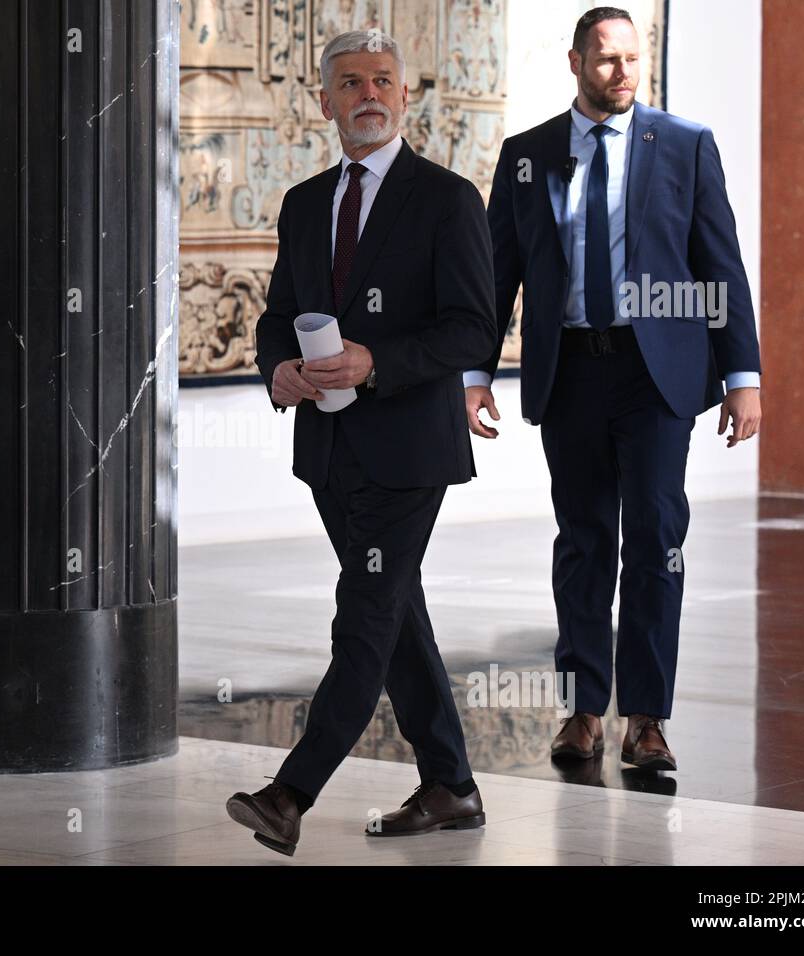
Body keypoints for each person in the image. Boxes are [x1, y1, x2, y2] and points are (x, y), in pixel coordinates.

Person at [464, 7, 762, 772]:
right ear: (575, 63)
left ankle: (648, 719)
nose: (623, 72)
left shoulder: (687, 146)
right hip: (571, 373)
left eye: (633, 58)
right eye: (606, 60)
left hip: (656, 373)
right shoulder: (527, 156)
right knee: (584, 541)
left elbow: (720, 267)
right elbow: (499, 275)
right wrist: (474, 374)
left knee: (657, 543)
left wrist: (742, 376)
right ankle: (583, 711)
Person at [225, 29, 499, 856]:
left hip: (412, 452)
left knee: (366, 619)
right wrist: (278, 370)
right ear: (325, 101)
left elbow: (472, 328)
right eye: (350, 83)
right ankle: (450, 785)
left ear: (405, 96)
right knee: (398, 615)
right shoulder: (306, 203)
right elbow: (279, 314)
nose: (368, 94)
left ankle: (290, 793)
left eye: (383, 80)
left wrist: (378, 359)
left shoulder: (448, 200)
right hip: (329, 452)